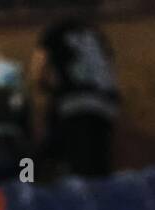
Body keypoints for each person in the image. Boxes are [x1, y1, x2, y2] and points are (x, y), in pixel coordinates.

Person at [32, 17, 120, 178]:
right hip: (105, 105)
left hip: (74, 103)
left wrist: (46, 88)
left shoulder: (55, 31)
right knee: (99, 165)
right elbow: (110, 67)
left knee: (69, 160)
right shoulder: (94, 31)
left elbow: (39, 68)